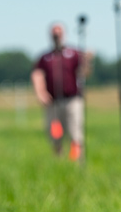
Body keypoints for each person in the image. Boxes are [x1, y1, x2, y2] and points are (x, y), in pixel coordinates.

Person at [31, 22, 92, 161]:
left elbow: (84, 73)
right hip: (52, 102)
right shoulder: (45, 57)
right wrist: (40, 93)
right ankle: (58, 161)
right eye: (54, 33)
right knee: (55, 135)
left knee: (75, 132)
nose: (56, 36)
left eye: (59, 33)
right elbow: (37, 74)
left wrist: (87, 61)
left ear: (64, 34)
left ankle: (76, 162)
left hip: (72, 100)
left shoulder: (74, 53)